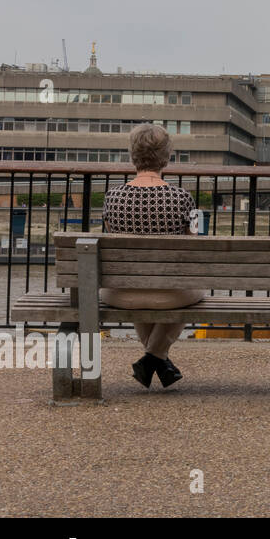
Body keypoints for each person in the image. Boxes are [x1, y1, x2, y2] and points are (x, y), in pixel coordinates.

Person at [101, 123, 205, 390]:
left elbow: (113, 241)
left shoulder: (112, 197)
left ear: (132, 155)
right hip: (171, 294)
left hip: (120, 292)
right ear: (166, 156)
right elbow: (195, 248)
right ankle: (155, 359)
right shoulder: (183, 198)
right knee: (191, 291)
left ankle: (152, 359)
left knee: (137, 278)